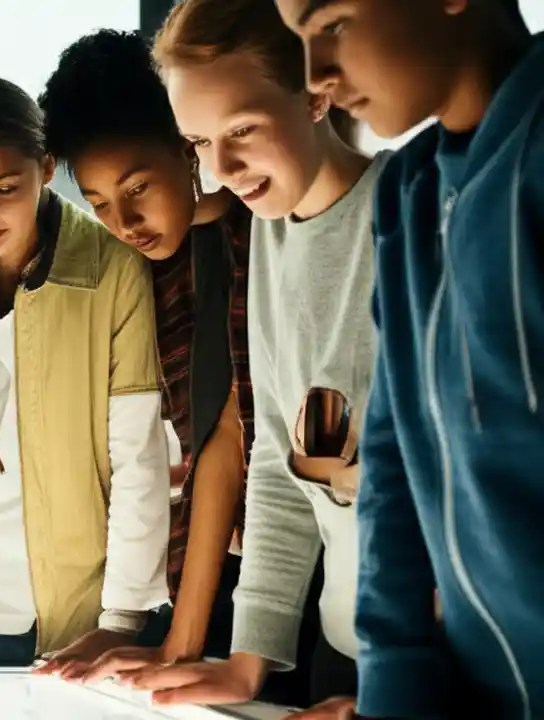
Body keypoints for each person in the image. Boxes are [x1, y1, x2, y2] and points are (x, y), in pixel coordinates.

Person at [276, 1, 544, 717]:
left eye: (332, 23)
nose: (316, 74)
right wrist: (391, 695)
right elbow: (391, 465)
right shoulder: (408, 196)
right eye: (300, 39)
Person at [119, 0, 388, 714]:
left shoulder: (405, 211)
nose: (220, 169)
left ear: (316, 92)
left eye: (241, 130)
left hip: (447, 656)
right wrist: (248, 659)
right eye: (199, 142)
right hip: (344, 646)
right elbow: (273, 459)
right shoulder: (270, 234)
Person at [0, 76, 169, 675]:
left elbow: (137, 457)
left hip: (91, 602)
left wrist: (120, 619)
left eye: (4, 189)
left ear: (45, 167)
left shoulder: (112, 266)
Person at [35, 29, 254, 680]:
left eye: (136, 189)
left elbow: (226, 442)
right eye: (100, 204)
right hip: (205, 574)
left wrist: (172, 642)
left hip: (296, 560)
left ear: (187, 147)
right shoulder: (136, 272)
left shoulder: (257, 236)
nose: (124, 223)